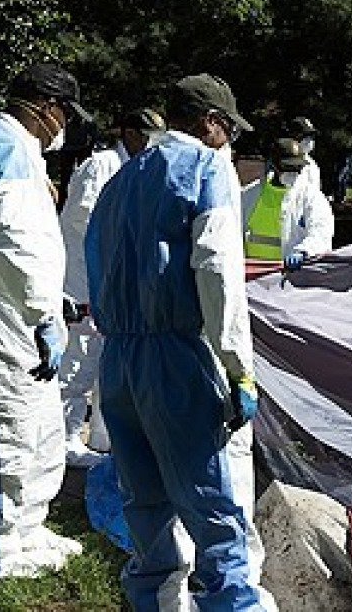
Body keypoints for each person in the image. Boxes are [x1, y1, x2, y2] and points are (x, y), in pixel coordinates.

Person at [85, 73, 269, 610]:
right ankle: (233, 603)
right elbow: (217, 272)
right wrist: (238, 366)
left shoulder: (122, 179)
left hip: (119, 357)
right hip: (175, 356)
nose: (230, 140)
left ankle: (155, 600)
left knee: (144, 500)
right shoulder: (208, 170)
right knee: (211, 500)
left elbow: (97, 265)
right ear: (211, 122)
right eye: (229, 129)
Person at [0, 63, 91, 581]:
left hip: (11, 308)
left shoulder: (1, 146)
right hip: (2, 316)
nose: (65, 126)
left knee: (37, 429)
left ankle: (25, 529)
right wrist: (41, 313)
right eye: (65, 114)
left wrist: (52, 301)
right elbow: (16, 244)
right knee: (6, 433)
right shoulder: (5, 149)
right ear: (48, 109)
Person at [58, 108, 165, 468]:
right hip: (84, 282)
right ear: (129, 133)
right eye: (148, 136)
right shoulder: (101, 165)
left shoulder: (139, 169)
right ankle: (63, 438)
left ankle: (102, 437)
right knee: (78, 363)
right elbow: (82, 220)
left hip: (111, 285)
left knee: (108, 365)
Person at [242, 137, 335, 268]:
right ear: (273, 165)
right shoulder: (249, 195)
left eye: (298, 167)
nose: (294, 172)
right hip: (252, 274)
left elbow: (321, 231)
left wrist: (304, 251)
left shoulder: (311, 197)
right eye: (288, 167)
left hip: (290, 275)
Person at [287, 116, 322, 197]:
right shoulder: (280, 163)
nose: (309, 140)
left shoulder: (313, 166)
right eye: (305, 135)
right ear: (292, 136)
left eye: (311, 136)